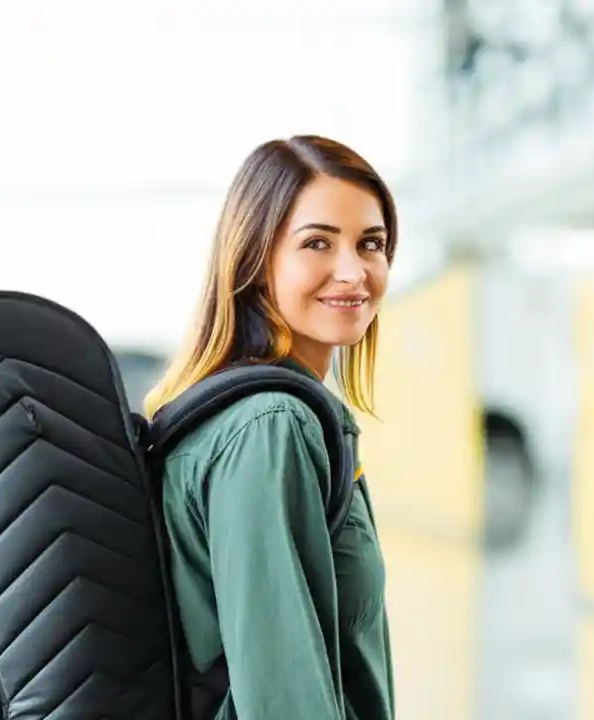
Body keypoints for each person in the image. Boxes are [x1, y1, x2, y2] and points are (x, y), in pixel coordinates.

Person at [144, 135, 396, 719]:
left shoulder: (275, 414)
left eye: (371, 244)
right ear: (255, 260)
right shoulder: (268, 428)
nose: (353, 271)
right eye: (317, 244)